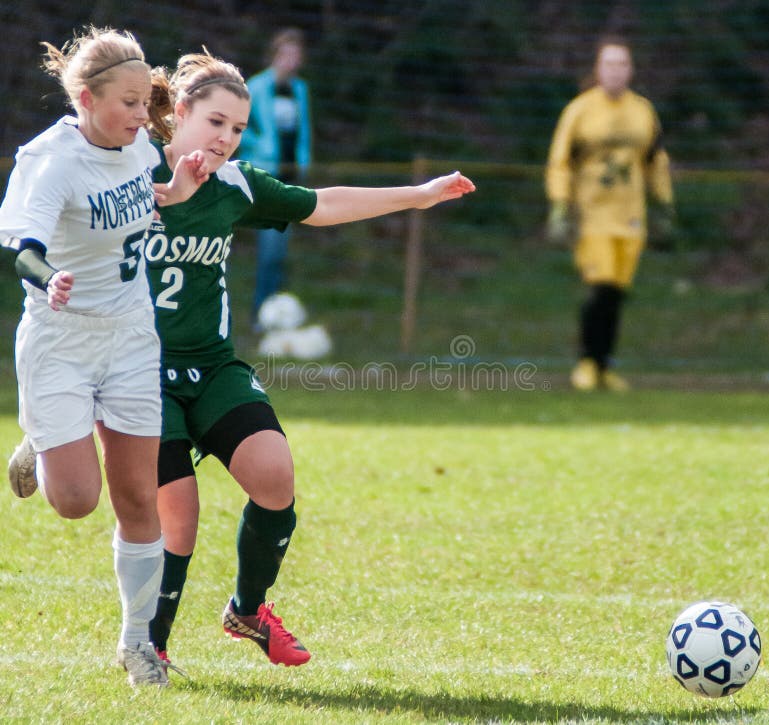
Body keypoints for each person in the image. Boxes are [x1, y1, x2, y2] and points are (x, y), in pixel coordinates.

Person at [143, 49, 475, 668]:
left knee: (274, 477)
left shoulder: (237, 186)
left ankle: (246, 610)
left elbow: (323, 203)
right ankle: (149, 647)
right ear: (179, 113)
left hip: (212, 366)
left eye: (238, 129)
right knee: (178, 516)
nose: (226, 139)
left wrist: (420, 195)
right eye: (215, 122)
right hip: (137, 374)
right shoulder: (128, 175)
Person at [1, 27, 208, 687]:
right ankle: (44, 432)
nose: (142, 116)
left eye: (145, 103)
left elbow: (152, 196)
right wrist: (46, 275)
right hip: (60, 340)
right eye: (128, 103)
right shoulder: (51, 160)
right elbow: (22, 246)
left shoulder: (138, 143)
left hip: (130, 336)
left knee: (136, 496)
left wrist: (179, 186)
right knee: (75, 500)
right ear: (86, 98)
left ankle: (137, 643)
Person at [545, 36, 674, 392]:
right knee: (599, 288)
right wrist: (559, 205)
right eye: (609, 64)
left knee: (616, 293)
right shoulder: (580, 111)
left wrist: (663, 205)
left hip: (631, 216)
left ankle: (605, 366)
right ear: (598, 69)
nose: (615, 71)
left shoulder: (643, 112)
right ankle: (587, 362)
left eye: (622, 64)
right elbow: (561, 162)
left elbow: (655, 162)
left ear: (630, 70)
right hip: (592, 215)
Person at [237, 28, 312, 330]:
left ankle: (275, 315)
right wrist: (261, 147)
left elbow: (303, 129)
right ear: (275, 55)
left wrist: (305, 160)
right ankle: (260, 315)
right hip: (264, 175)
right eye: (286, 54)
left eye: (296, 55)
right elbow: (240, 128)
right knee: (270, 252)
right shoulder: (256, 87)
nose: (291, 61)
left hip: (291, 178)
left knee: (280, 254)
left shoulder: (300, 90)